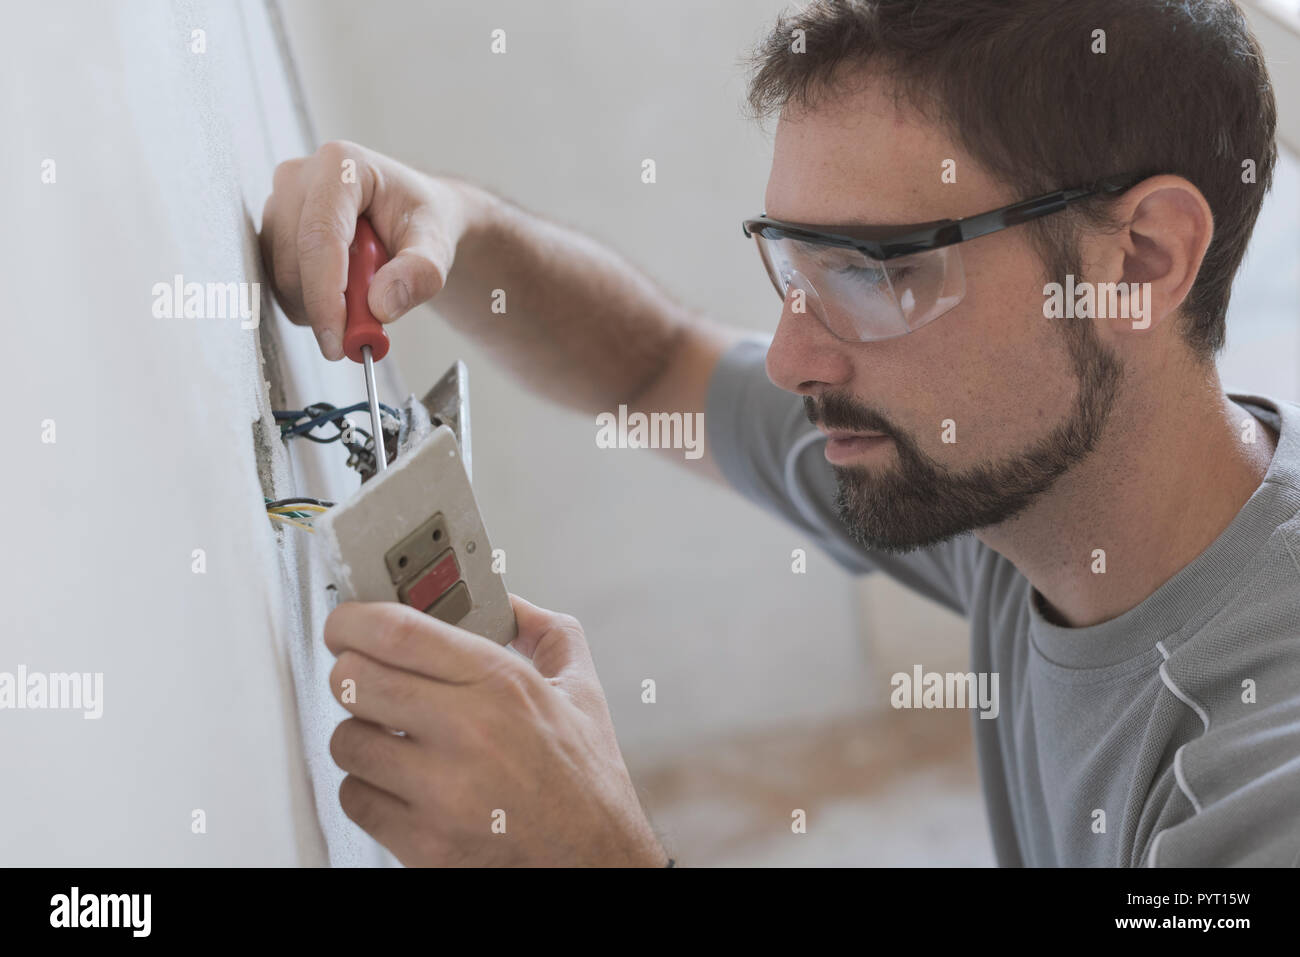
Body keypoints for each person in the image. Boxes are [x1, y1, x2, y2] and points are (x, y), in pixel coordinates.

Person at [259, 0, 1300, 867]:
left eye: (879, 270)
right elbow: (652, 363)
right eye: (799, 269)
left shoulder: (1259, 778)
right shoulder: (1005, 502)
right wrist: (457, 221)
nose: (798, 360)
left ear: (1141, 261)